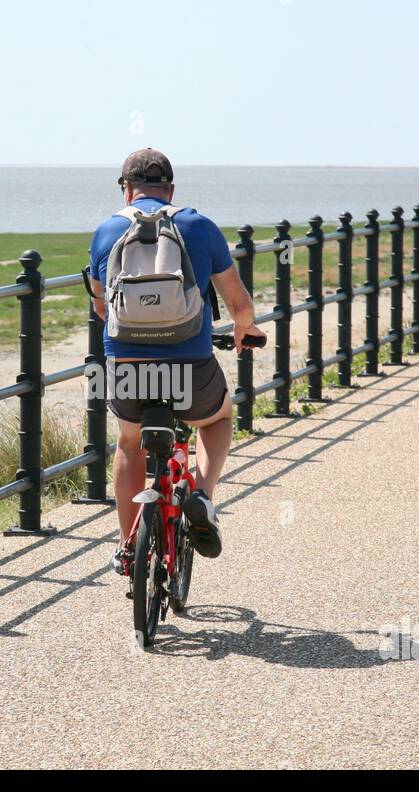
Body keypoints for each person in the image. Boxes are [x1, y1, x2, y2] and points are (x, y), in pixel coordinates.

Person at [88, 148, 266, 574]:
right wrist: (245, 332)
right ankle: (202, 493)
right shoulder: (199, 226)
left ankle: (127, 546)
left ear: (127, 189)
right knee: (219, 417)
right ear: (170, 190)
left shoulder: (107, 230)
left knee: (130, 444)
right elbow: (239, 303)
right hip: (190, 367)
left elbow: (100, 307)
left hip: (127, 370)